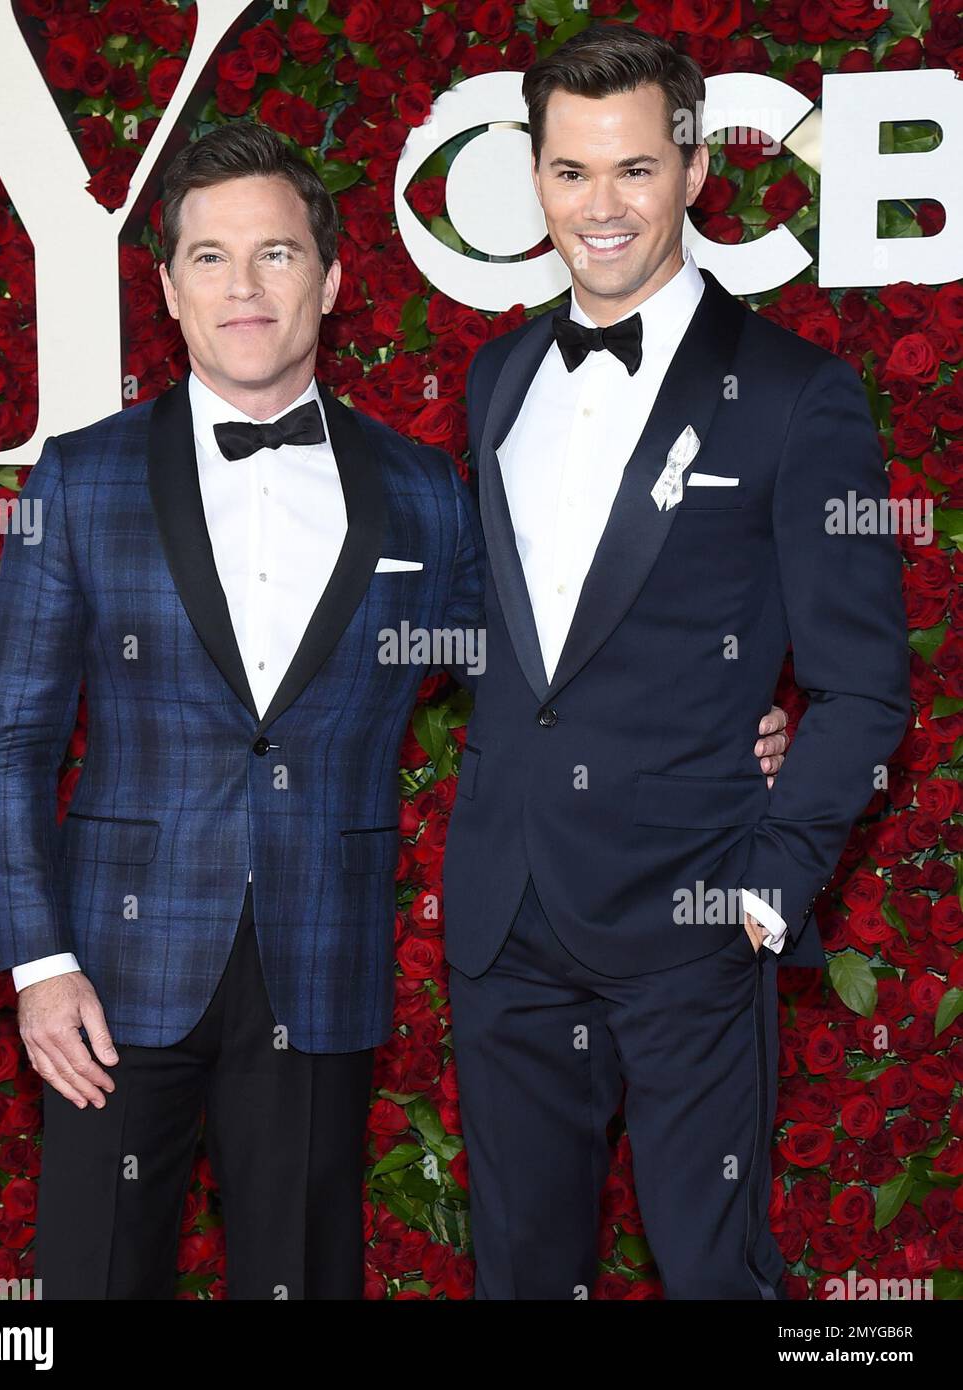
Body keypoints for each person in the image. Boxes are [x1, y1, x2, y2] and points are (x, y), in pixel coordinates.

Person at [0, 120, 485, 1300]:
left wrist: (715, 723)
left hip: (321, 956)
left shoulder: (420, 490)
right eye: (209, 257)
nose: (243, 287)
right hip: (108, 967)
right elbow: (8, 743)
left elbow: (517, 678)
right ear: (167, 285)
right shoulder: (82, 477)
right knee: (97, 1278)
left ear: (332, 278)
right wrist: (40, 964)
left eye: (276, 254)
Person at [443, 25, 911, 1300]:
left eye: (634, 170)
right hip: (505, 920)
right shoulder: (498, 377)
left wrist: (764, 891)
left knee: (712, 1276)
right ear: (534, 179)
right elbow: (513, 634)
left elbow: (862, 683)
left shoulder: (792, 395)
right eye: (571, 171)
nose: (600, 208)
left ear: (693, 170)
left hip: (691, 919)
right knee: (517, 1275)